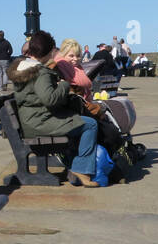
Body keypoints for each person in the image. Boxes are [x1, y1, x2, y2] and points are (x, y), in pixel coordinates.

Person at [10, 30, 102, 187]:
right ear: (48, 51)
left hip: (31, 119)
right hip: (40, 122)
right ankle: (81, 169)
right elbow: (50, 99)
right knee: (90, 124)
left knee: (79, 120)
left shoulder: (23, 67)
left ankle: (75, 164)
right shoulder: (40, 72)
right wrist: (64, 85)